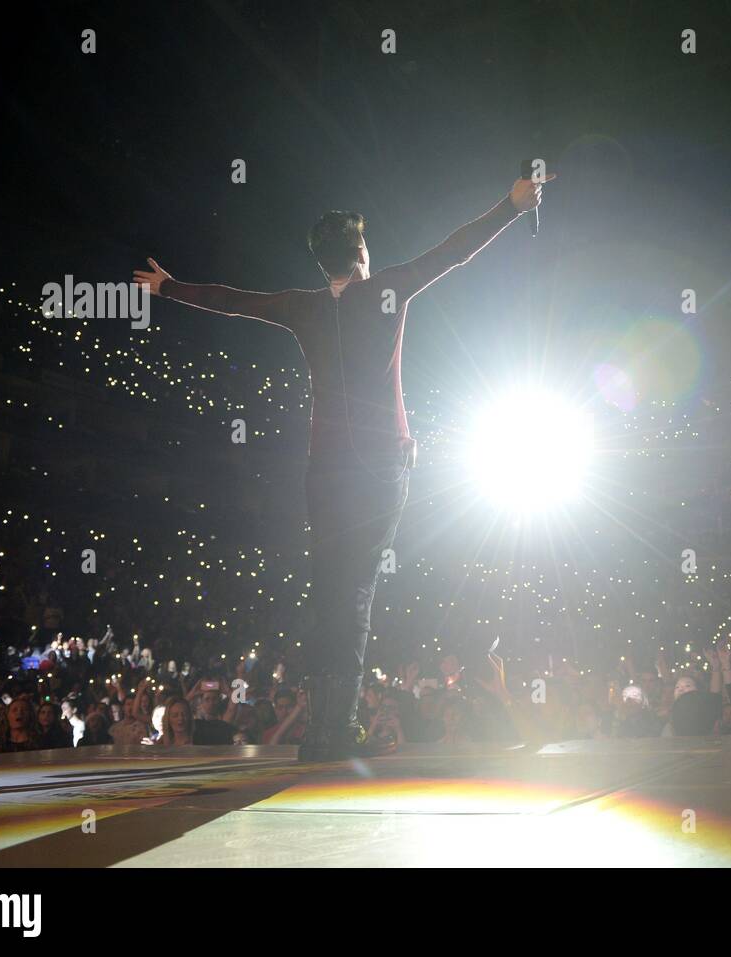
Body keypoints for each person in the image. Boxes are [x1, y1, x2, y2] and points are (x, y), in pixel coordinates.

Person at [133, 172, 554, 761]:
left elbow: (232, 301)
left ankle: (322, 730)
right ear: (361, 252)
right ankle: (338, 730)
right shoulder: (389, 288)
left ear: (321, 262)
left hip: (325, 472)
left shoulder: (298, 307)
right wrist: (512, 205)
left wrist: (169, 288)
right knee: (355, 593)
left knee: (330, 593)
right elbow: (454, 251)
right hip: (381, 468)